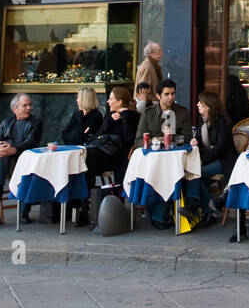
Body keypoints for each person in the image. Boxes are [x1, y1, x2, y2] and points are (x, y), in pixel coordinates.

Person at [75, 86, 139, 227]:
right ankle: (83, 205)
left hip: (118, 157)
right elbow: (99, 134)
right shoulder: (109, 115)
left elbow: (128, 139)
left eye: (111, 99)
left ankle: (84, 206)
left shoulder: (132, 116)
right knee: (86, 159)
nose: (108, 102)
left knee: (89, 160)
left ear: (120, 102)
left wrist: (125, 116)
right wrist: (111, 120)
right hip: (102, 155)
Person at [0, 94, 42, 221]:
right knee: (1, 150)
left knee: (5, 153)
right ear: (15, 109)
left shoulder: (36, 123)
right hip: (8, 160)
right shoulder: (6, 122)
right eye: (25, 105)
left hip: (24, 158)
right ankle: (0, 189)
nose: (29, 108)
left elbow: (31, 142)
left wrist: (13, 150)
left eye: (30, 105)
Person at [188, 91, 236, 223]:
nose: (197, 105)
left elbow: (220, 148)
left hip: (224, 161)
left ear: (208, 106)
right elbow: (198, 139)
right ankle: (210, 209)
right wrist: (194, 141)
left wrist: (203, 159)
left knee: (196, 174)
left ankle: (194, 206)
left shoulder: (222, 122)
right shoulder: (203, 122)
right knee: (193, 175)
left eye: (200, 103)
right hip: (211, 158)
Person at [134, 78, 191, 146]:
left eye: (172, 94)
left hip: (176, 153)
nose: (170, 97)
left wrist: (172, 137)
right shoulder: (147, 113)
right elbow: (138, 142)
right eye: (166, 94)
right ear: (158, 96)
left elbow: (188, 138)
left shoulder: (183, 112)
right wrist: (154, 141)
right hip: (154, 154)